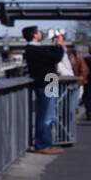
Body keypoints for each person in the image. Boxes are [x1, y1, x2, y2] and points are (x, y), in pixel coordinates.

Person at [22, 25, 64, 154]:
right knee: (46, 115)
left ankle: (47, 143)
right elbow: (56, 57)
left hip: (50, 81)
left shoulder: (35, 49)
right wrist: (60, 45)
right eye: (39, 32)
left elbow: (50, 54)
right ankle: (43, 145)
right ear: (35, 35)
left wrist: (56, 45)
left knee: (49, 114)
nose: (40, 33)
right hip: (47, 83)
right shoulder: (33, 49)